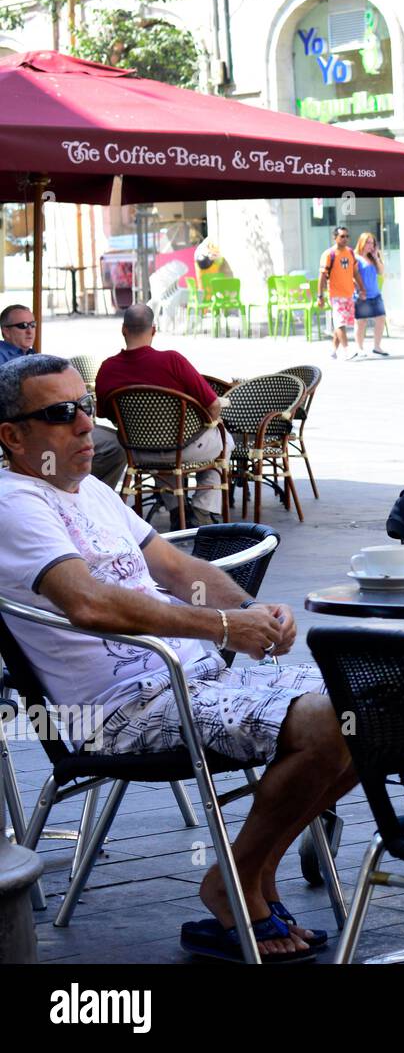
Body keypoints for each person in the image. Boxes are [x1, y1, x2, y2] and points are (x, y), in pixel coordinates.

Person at [0, 354, 354, 961]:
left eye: (85, 406)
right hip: (118, 712)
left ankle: (250, 878)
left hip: (190, 683)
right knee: (329, 722)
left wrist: (254, 612)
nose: (86, 425)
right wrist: (222, 626)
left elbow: (177, 567)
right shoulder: (13, 505)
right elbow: (89, 605)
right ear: (11, 435)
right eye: (61, 414)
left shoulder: (84, 489)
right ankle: (234, 885)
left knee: (371, 703)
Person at [94, 303, 232, 530]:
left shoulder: (108, 368)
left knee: (159, 449)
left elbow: (106, 414)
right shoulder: (172, 361)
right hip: (183, 448)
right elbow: (213, 404)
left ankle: (177, 509)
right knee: (223, 441)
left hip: (135, 450)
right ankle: (202, 509)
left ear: (123, 329)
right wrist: (208, 423)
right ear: (153, 330)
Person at [0, 303, 126, 490]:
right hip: (35, 435)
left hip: (58, 428)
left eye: (32, 325)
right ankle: (64, 487)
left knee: (115, 446)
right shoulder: (6, 362)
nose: (30, 331)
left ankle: (72, 489)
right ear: (5, 331)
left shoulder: (35, 356)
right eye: (22, 326)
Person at [316, 225, 363, 360]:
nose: (345, 239)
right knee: (340, 323)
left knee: (341, 324)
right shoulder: (328, 254)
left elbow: (355, 272)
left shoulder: (350, 253)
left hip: (349, 294)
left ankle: (333, 351)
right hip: (335, 295)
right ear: (335, 238)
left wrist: (362, 288)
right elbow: (322, 276)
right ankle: (347, 351)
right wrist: (320, 296)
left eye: (347, 236)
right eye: (342, 236)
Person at [353, 231, 388, 358]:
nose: (370, 246)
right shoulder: (355, 257)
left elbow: (381, 272)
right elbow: (352, 276)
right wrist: (358, 289)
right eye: (368, 242)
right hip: (362, 295)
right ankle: (359, 348)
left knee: (381, 318)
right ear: (362, 242)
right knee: (361, 322)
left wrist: (377, 257)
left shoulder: (373, 257)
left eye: (372, 243)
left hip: (375, 294)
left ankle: (377, 347)